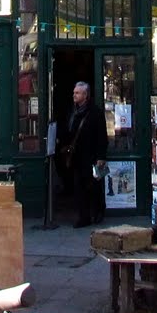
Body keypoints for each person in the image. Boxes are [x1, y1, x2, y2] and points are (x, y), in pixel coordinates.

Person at [62, 80, 108, 227]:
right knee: (79, 188)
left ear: (85, 95)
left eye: (77, 93)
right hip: (77, 156)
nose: (74, 95)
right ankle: (84, 217)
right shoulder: (72, 111)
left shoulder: (95, 112)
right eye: (74, 92)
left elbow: (102, 135)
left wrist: (101, 156)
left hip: (92, 156)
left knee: (94, 186)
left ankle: (98, 212)